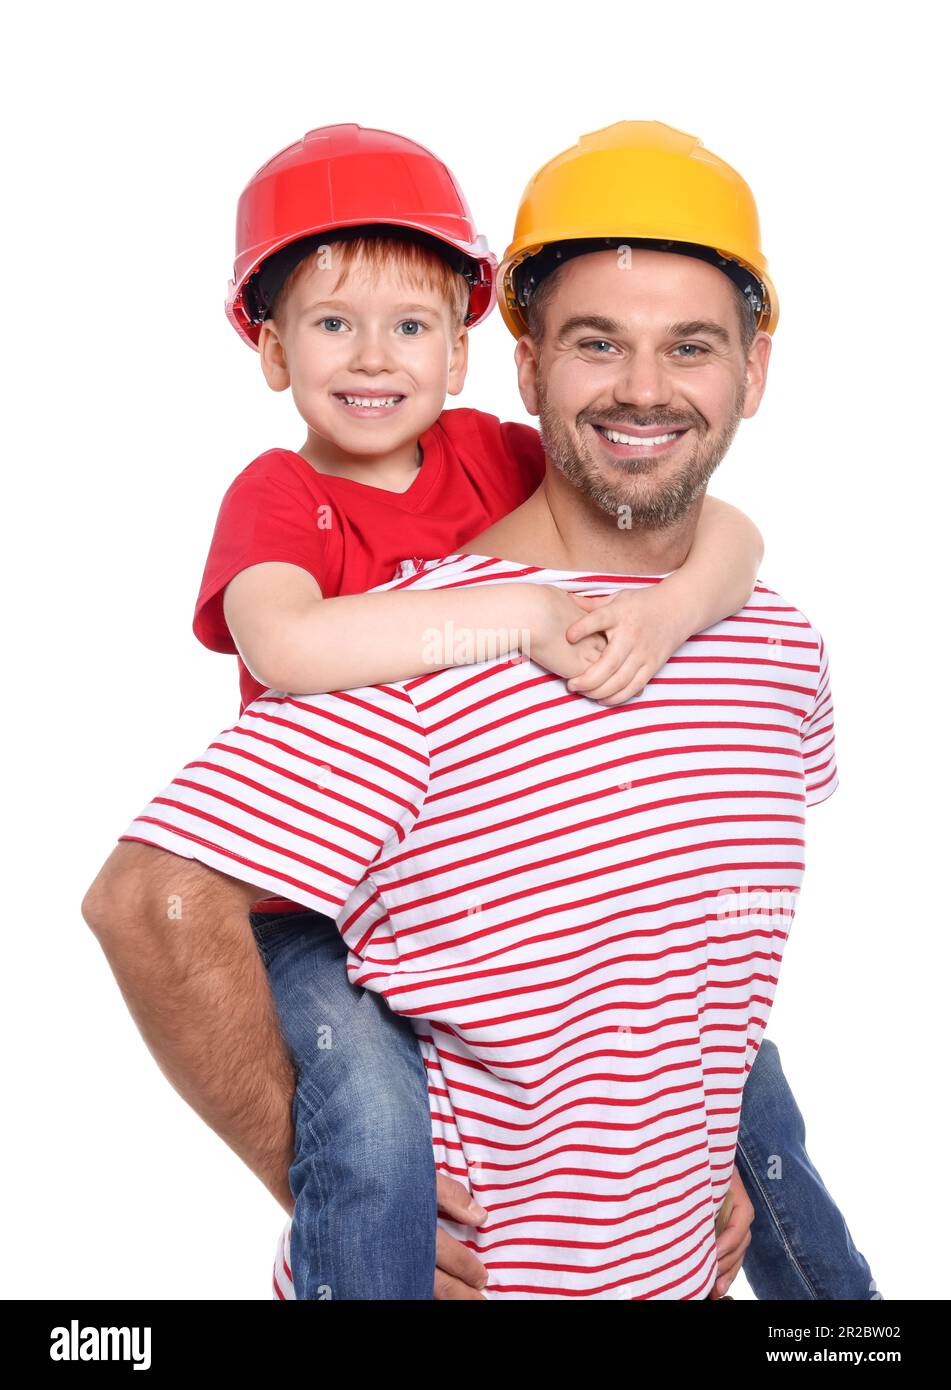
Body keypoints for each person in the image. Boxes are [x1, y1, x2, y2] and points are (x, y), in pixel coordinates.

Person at [84, 121, 875, 1300]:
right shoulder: (402, 635)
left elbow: (673, 932)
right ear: (527, 366)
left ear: (754, 373)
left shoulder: (774, 640)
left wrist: (688, 1139)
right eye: (597, 343)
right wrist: (353, 1199)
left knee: (767, 1110)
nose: (645, 390)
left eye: (693, 347)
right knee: (364, 1111)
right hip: (397, 1100)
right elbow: (152, 900)